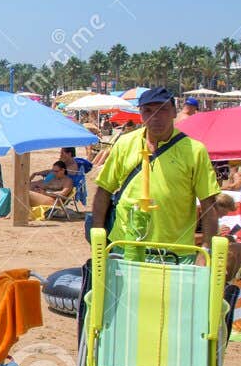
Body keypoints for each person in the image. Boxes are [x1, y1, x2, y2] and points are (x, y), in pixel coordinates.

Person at [90, 87, 221, 252]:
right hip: (125, 246)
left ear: (174, 112)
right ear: (141, 114)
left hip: (175, 252)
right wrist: (98, 240)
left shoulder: (194, 150)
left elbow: (209, 204)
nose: (155, 117)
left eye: (162, 110)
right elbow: (103, 191)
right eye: (148, 111)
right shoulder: (125, 144)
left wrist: (206, 249)